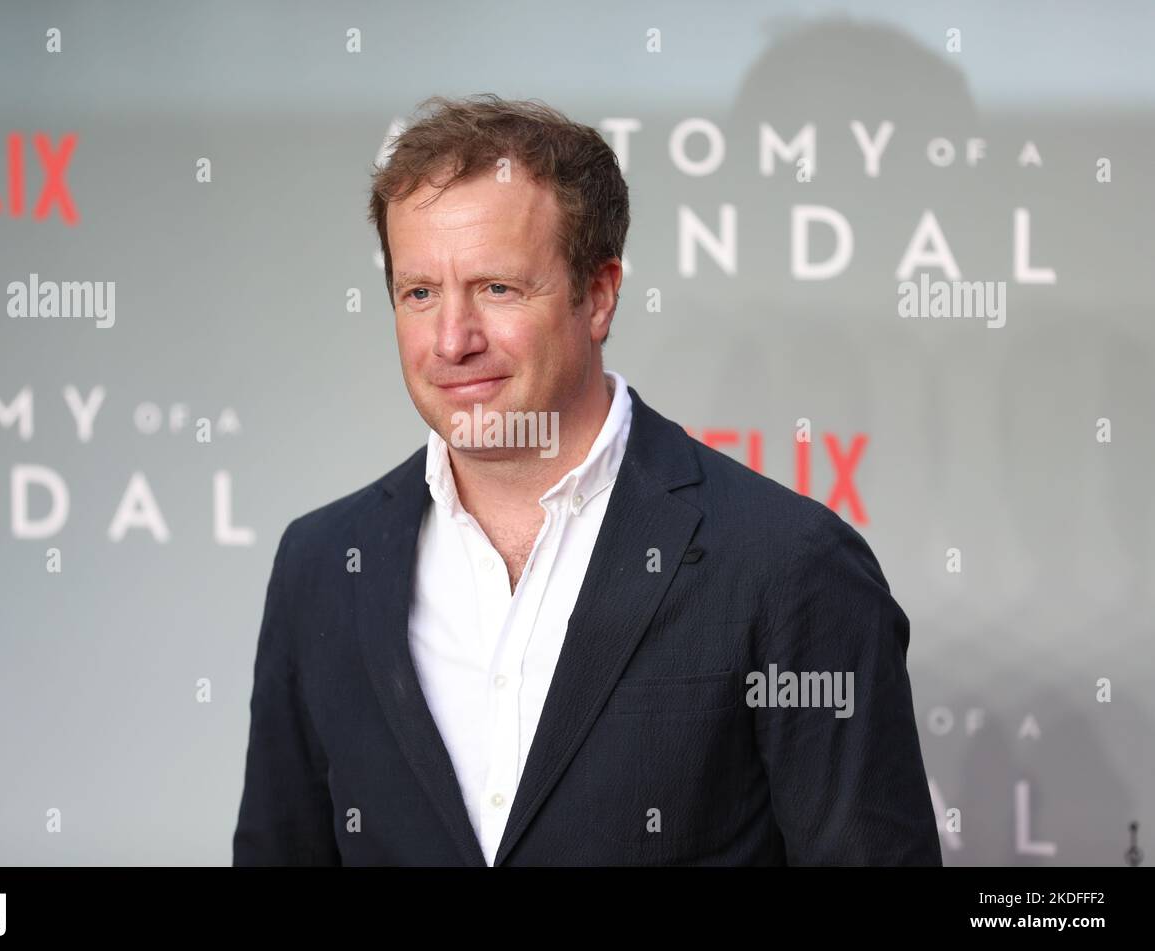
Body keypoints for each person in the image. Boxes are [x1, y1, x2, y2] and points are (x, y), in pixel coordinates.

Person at [233, 94, 940, 866]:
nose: (452, 340)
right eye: (419, 293)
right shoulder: (323, 565)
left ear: (598, 296)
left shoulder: (785, 564)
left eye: (497, 288)